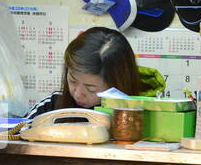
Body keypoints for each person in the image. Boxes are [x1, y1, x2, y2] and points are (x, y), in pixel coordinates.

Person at [26, 27, 166, 117]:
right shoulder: (50, 107)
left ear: (117, 84)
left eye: (90, 88)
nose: (77, 93)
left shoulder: (146, 115)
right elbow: (12, 140)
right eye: (72, 80)